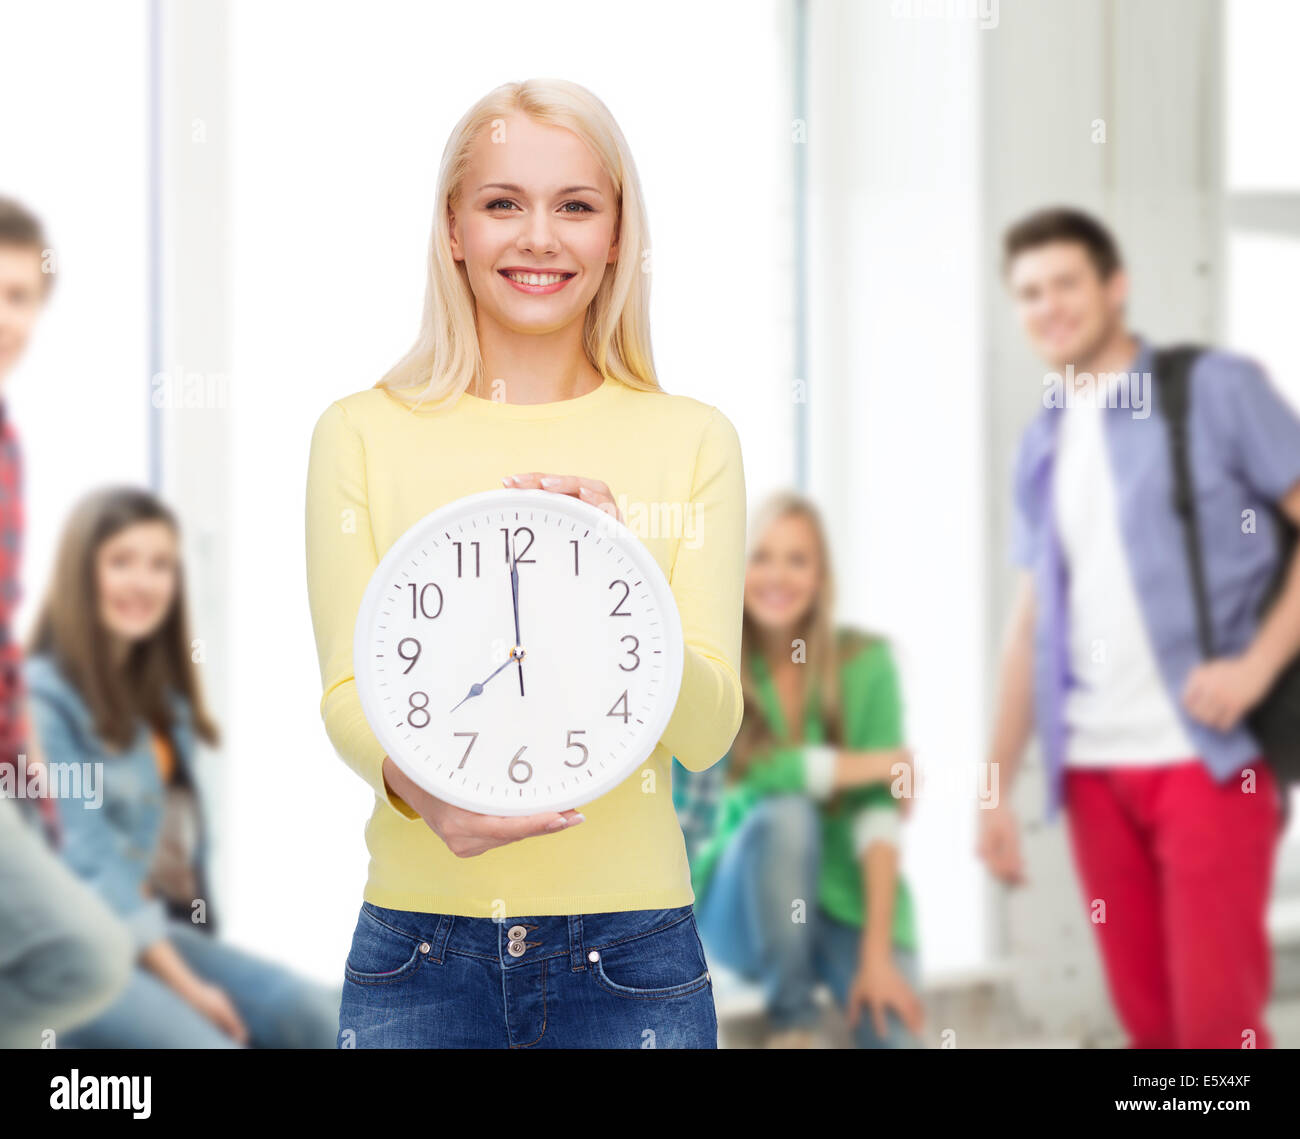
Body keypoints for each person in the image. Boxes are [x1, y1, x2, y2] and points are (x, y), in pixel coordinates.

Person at [306, 78, 746, 1049]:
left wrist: (623, 573)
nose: (538, 237)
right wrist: (420, 793)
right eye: (503, 202)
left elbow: (710, 730)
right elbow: (349, 689)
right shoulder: (360, 433)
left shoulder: (693, 439)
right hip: (417, 952)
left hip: (632, 955)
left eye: (575, 206)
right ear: (454, 229)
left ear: (618, 237)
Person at [978, 206, 1300, 1048]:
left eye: (1065, 283)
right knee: (1150, 1029)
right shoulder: (1041, 443)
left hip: (1209, 756)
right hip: (1092, 770)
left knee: (1214, 1029)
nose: (1048, 305)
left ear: (1114, 287)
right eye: (1029, 292)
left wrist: (1256, 668)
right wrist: (995, 786)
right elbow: (1029, 627)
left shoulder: (1216, 390)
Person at [26, 487, 339, 1047]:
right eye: (122, 562)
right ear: (80, 574)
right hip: (65, 949)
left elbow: (174, 859)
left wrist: (195, 963)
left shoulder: (159, 705)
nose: (143, 582)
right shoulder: (41, 702)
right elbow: (92, 868)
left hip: (148, 937)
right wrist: (192, 992)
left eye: (160, 565)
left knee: (317, 1015)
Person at [681, 491, 922, 1048]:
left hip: (841, 900)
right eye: (762, 556)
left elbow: (877, 816)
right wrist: (868, 765)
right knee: (787, 819)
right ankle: (793, 1023)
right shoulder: (716, 667)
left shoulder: (865, 664)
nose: (777, 576)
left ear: (820, 576)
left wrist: (877, 955)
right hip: (738, 904)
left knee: (895, 1037)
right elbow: (749, 780)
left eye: (797, 559)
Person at [0, 197, 133, 1047]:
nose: (6, 316)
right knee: (81, 956)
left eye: (19, 296)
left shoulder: (8, 444)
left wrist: (34, 795)